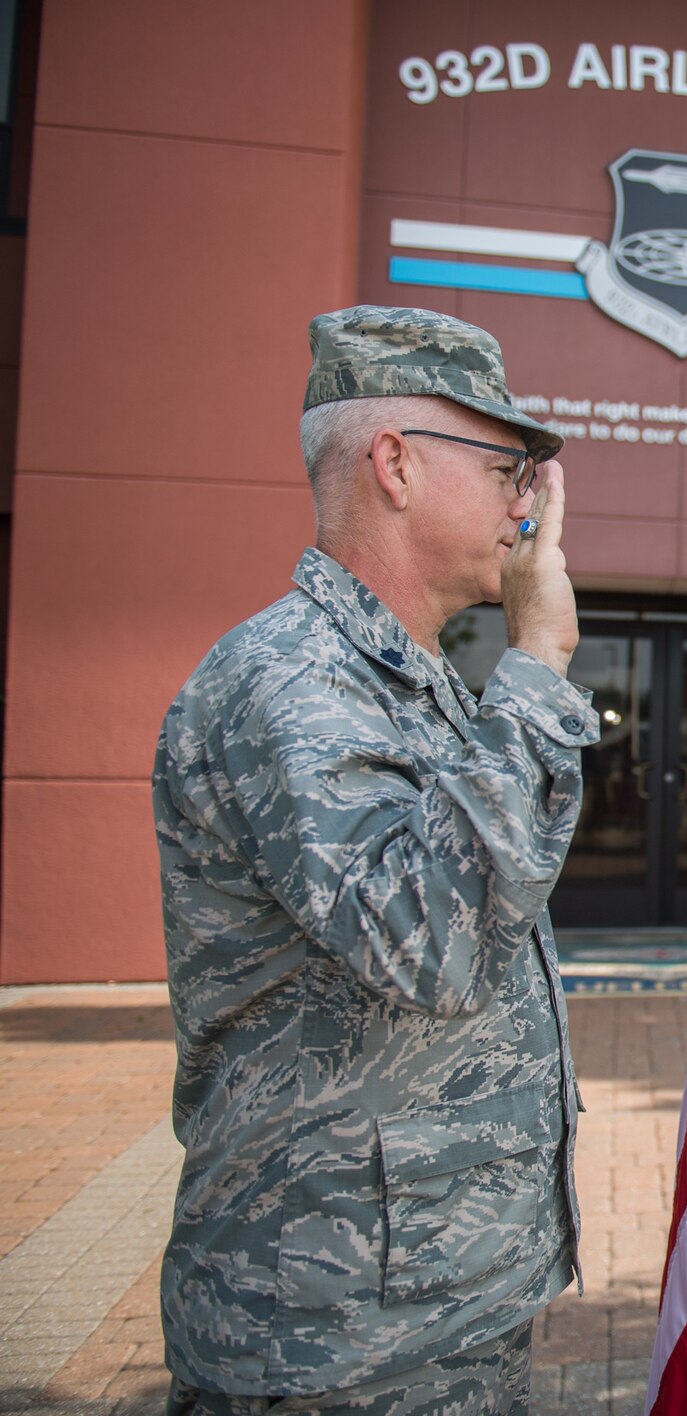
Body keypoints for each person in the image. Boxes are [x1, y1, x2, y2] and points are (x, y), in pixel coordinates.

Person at [152, 305, 596, 1413]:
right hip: (329, 1337)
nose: (526, 499)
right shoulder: (291, 682)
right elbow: (431, 943)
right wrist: (537, 663)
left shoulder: (411, 679)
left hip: (434, 1306)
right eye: (506, 464)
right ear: (393, 463)